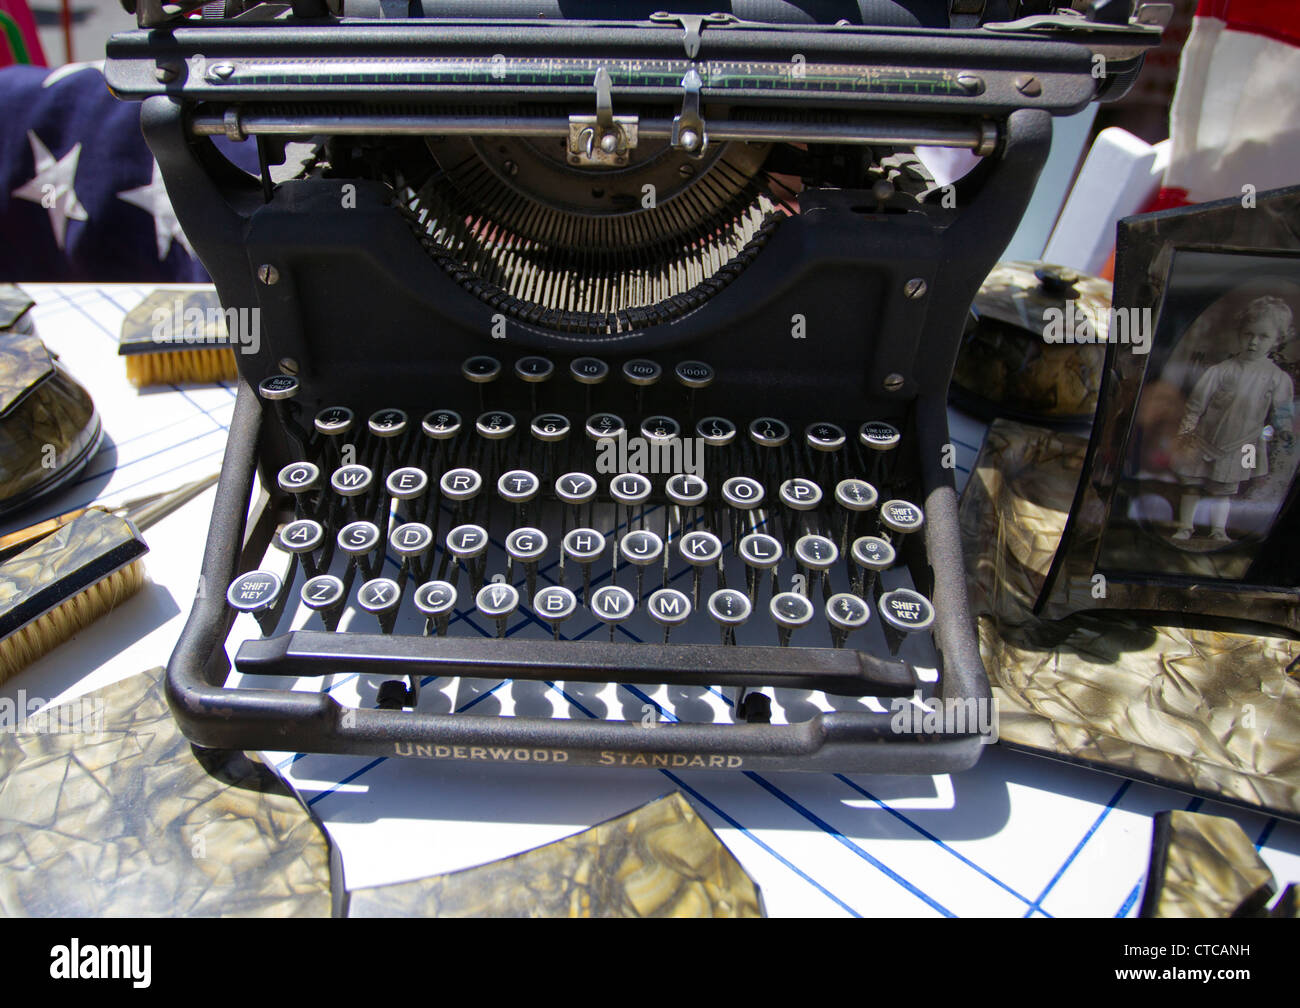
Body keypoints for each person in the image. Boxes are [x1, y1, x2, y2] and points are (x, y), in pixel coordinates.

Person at [1170, 295, 1295, 542]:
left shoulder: (1277, 378)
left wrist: (1284, 430)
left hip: (1242, 444)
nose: (1253, 342)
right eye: (1248, 334)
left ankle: (1218, 530)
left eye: (1263, 337)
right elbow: (1196, 405)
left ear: (1277, 340)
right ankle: (1185, 526)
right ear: (1240, 333)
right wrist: (1185, 431)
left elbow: (1282, 411)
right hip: (1204, 438)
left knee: (1224, 491)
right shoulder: (1220, 370)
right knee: (1192, 484)